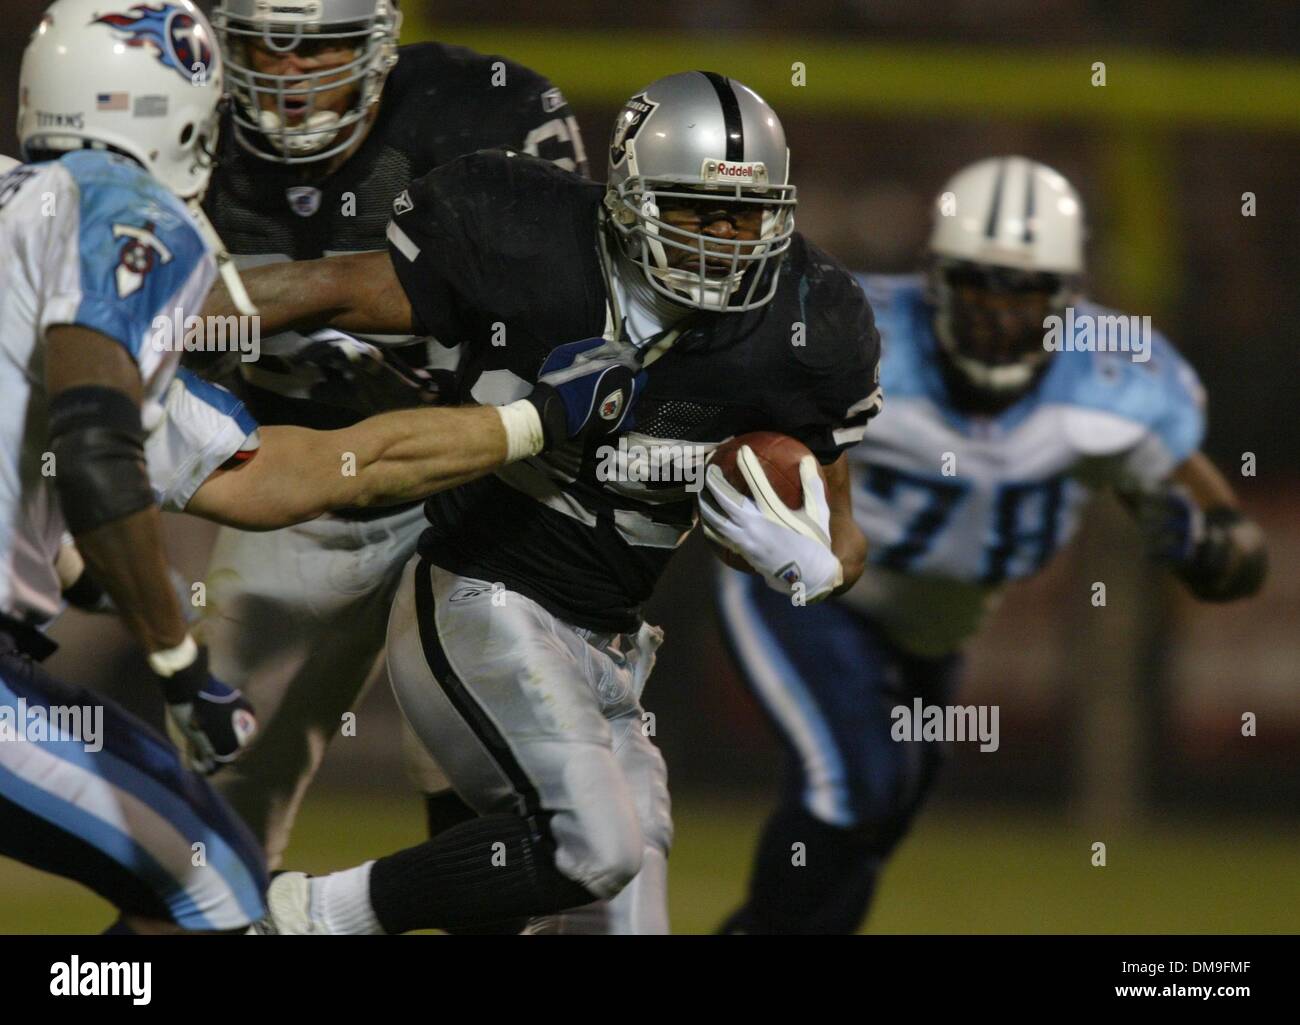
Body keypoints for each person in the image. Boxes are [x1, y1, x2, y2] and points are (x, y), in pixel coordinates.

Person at [202, 70, 884, 934]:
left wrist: (815, 564)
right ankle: (299, 918)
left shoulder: (808, 324)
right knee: (592, 846)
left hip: (618, 648)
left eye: (743, 215)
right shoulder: (527, 234)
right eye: (696, 210)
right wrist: (169, 315)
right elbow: (332, 287)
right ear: (631, 197)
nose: (722, 239)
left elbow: (844, 540)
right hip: (483, 596)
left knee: (623, 916)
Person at [713, 156, 1268, 934]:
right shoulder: (856, 330)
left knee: (878, 819)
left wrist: (1217, 547)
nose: (997, 316)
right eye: (977, 285)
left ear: (1066, 299)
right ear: (936, 277)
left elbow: (1220, 523)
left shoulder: (1113, 377)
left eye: (1022, 294)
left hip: (939, 626)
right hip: (809, 592)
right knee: (856, 788)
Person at [199, 0, 591, 867]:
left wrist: (299, 299)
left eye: (319, 44)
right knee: (220, 779)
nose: (289, 70)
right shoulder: (190, 124)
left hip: (479, 482)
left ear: (377, 45)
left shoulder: (485, 113)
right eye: (269, 41)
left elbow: (561, 309)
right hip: (295, 477)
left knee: (488, 753)